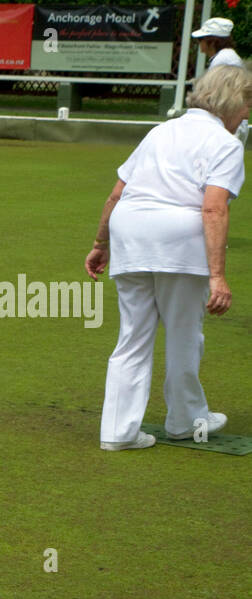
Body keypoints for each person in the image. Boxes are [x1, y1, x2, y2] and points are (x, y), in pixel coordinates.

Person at [85, 66, 252, 450]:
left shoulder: (160, 131)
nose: (247, 113)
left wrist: (100, 243)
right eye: (246, 103)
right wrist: (218, 276)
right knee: (184, 334)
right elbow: (213, 209)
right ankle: (185, 421)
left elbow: (116, 195)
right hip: (177, 239)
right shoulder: (226, 144)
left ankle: (117, 434)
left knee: (132, 339)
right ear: (229, 101)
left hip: (130, 233)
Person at [193, 17, 247, 145]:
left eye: (201, 40)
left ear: (212, 41)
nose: (199, 43)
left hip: (229, 123)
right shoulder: (225, 57)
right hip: (229, 121)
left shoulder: (223, 60)